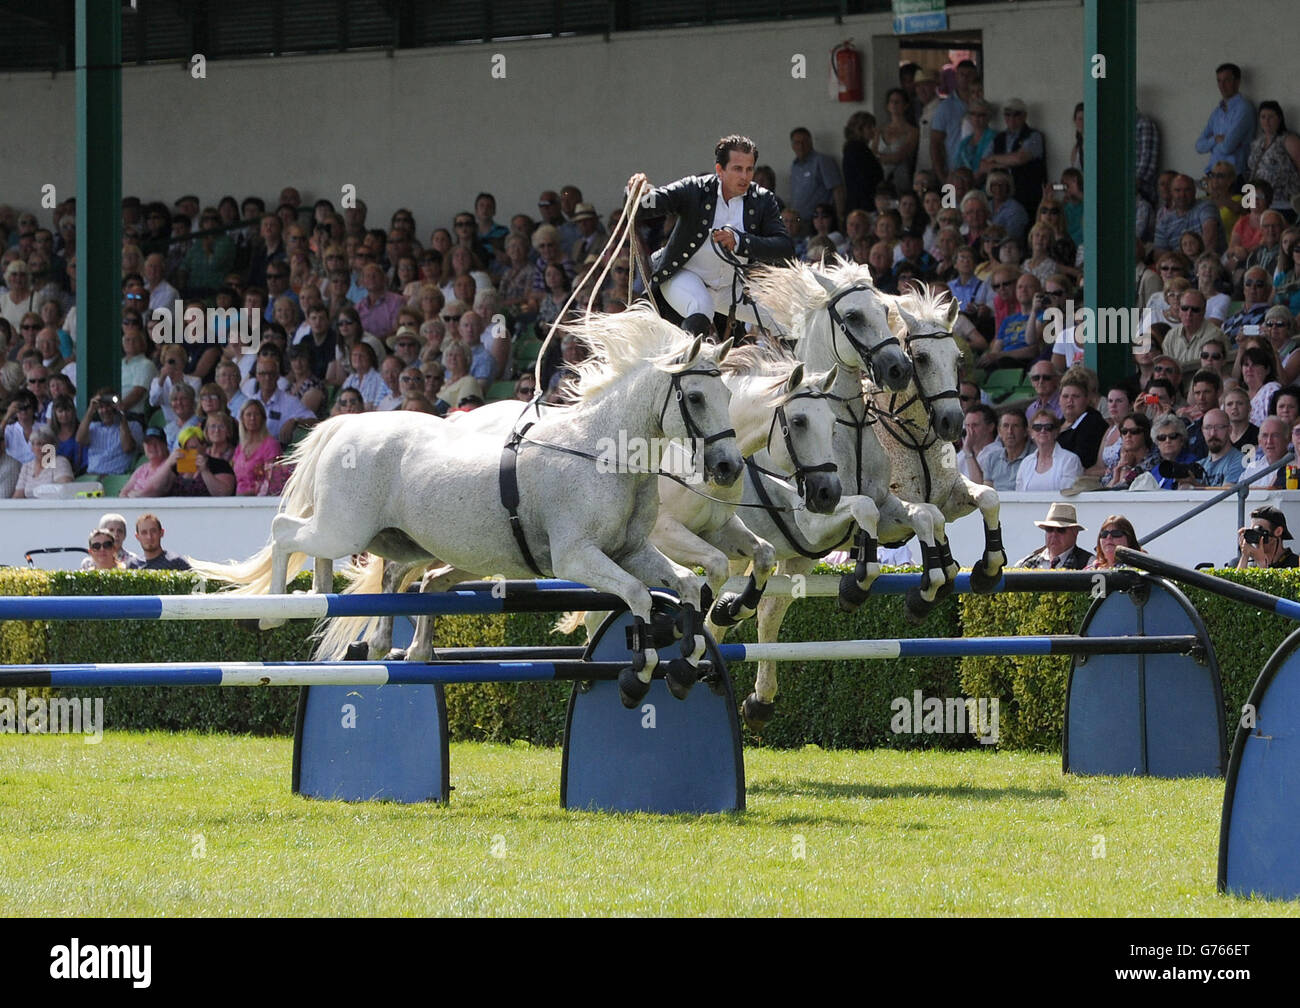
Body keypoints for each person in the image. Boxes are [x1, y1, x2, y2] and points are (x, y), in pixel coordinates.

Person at [626, 135, 793, 336]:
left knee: (785, 320)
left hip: (731, 286)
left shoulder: (763, 200)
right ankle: (690, 364)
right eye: (737, 169)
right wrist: (637, 193)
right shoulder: (695, 189)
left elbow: (784, 246)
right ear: (719, 170)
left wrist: (740, 242)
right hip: (685, 276)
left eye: (749, 169)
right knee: (701, 307)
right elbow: (649, 206)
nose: (745, 177)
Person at [981, 98, 1046, 219]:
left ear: (1025, 116)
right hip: (999, 197)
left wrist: (994, 158)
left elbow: (1019, 158)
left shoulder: (1033, 136)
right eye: (1007, 114)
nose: (1011, 117)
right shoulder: (998, 138)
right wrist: (1002, 166)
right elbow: (983, 165)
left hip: (1026, 197)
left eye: (1016, 114)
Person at [1196, 62, 1255, 179]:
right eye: (1219, 81)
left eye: (1226, 80)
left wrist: (1214, 144)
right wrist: (1216, 139)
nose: (1222, 85)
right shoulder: (1217, 112)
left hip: (1233, 177)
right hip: (1212, 174)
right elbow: (1199, 146)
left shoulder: (1244, 109)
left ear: (1237, 82)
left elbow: (1227, 147)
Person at [76, 388, 141, 476]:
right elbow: (79, 439)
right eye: (101, 407)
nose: (105, 410)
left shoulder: (133, 426)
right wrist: (90, 410)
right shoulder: (93, 426)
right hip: (92, 475)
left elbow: (127, 448)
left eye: (108, 406)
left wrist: (121, 412)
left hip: (116, 478)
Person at [1016, 409, 1083, 491]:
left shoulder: (1070, 460)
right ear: (1031, 433)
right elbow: (1019, 496)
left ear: (1056, 432)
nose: (1043, 431)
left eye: (1048, 427)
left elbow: (1068, 495)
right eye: (1037, 427)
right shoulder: (1026, 463)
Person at [1015, 501, 1093, 569]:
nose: (1054, 534)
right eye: (1049, 529)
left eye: (1061, 530)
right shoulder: (1025, 563)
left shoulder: (1090, 563)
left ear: (1075, 533)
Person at [231, 399, 285, 496]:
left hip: (261, 501)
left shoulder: (271, 445)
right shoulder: (240, 447)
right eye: (248, 414)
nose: (252, 418)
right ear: (242, 419)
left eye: (256, 414)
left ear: (263, 418)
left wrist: (248, 494)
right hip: (238, 500)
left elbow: (273, 480)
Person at [1056, 371, 1107, 471]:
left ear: (1087, 399)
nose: (1069, 401)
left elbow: (1082, 460)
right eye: (1065, 396)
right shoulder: (1059, 422)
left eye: (1075, 396)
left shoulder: (1093, 422)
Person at [975, 409, 1032, 492]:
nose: (1010, 431)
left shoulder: (1034, 457)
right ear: (999, 432)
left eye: (1015, 426)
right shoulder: (991, 458)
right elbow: (989, 493)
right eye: (1005, 426)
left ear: (1025, 432)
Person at [11, 423, 72, 498]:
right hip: (29, 508)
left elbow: (65, 490)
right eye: (38, 444)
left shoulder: (60, 462)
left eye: (46, 444)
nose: (43, 448)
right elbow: (17, 496)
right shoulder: (27, 467)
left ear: (54, 446)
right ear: (32, 448)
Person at [1101, 412, 1157, 489]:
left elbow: (1124, 489)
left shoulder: (1153, 461)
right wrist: (1115, 478)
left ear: (1145, 434)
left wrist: (1125, 468)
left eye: (1134, 431)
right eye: (1124, 432)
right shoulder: (1117, 461)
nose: (1128, 435)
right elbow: (1104, 490)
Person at [1235, 505, 1299, 570]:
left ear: (1278, 531)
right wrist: (1245, 556)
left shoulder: (1296, 565)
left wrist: (1261, 562)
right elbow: (1236, 580)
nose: (1257, 536)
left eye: (1260, 531)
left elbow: (1268, 580)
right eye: (1253, 531)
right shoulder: (1248, 564)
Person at [1194, 408, 1245, 487]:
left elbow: (1225, 496)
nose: (1212, 434)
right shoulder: (1198, 465)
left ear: (1230, 430)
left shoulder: (1240, 460)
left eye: (1219, 427)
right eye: (1208, 427)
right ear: (1202, 431)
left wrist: (1194, 484)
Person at [119, 426, 173, 498]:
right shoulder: (142, 468)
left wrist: (137, 495)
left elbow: (156, 490)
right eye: (148, 443)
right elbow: (124, 491)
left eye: (156, 443)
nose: (152, 446)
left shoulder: (170, 465)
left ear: (165, 445)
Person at [1149, 414, 1199, 489]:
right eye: (1162, 437)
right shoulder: (1155, 470)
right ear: (1157, 443)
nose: (1168, 440)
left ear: (1181, 440)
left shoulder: (1192, 463)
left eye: (1173, 436)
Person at [126, 513, 191, 571]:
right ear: (137, 537)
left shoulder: (177, 563)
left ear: (161, 533)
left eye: (153, 531)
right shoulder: (133, 566)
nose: (149, 537)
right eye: (144, 533)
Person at [1241, 415, 1292, 488]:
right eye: (1265, 435)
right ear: (1259, 441)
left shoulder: (1295, 468)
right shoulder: (1252, 469)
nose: (1269, 441)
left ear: (1287, 439)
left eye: (1275, 435)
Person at [956, 403, 997, 482]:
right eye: (967, 425)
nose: (970, 430)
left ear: (990, 427)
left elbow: (980, 486)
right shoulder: (960, 455)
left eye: (975, 425)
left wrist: (968, 452)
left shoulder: (997, 453)